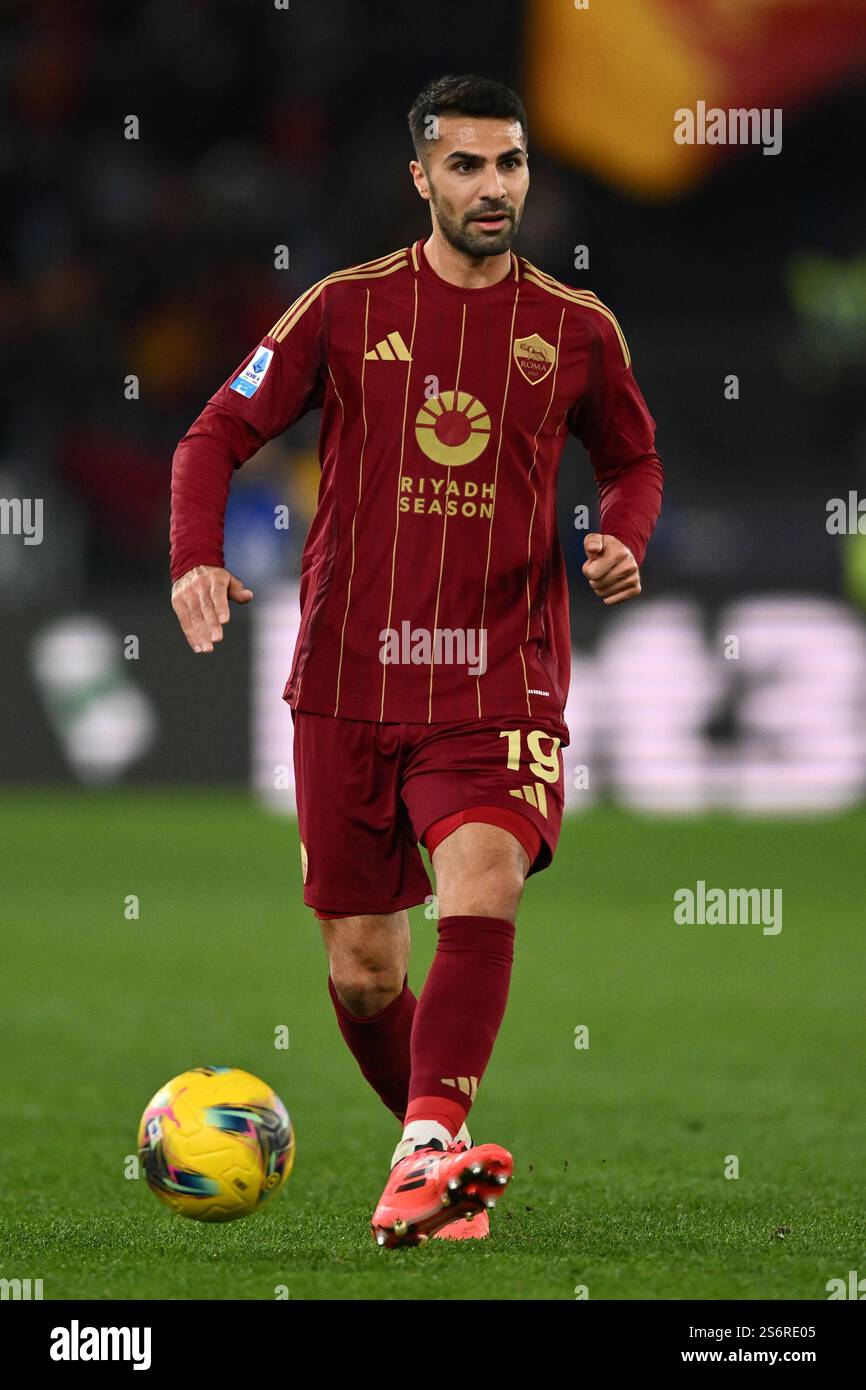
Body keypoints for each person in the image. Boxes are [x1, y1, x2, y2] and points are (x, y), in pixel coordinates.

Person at [169, 73, 663, 1247]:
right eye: (466, 167)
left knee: (480, 881)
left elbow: (633, 462)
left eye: (509, 166)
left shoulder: (574, 328)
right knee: (364, 971)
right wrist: (195, 557)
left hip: (499, 672)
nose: (492, 189)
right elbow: (213, 433)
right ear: (420, 179)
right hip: (348, 674)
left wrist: (621, 541)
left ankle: (428, 1146)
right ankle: (430, 1154)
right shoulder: (342, 310)